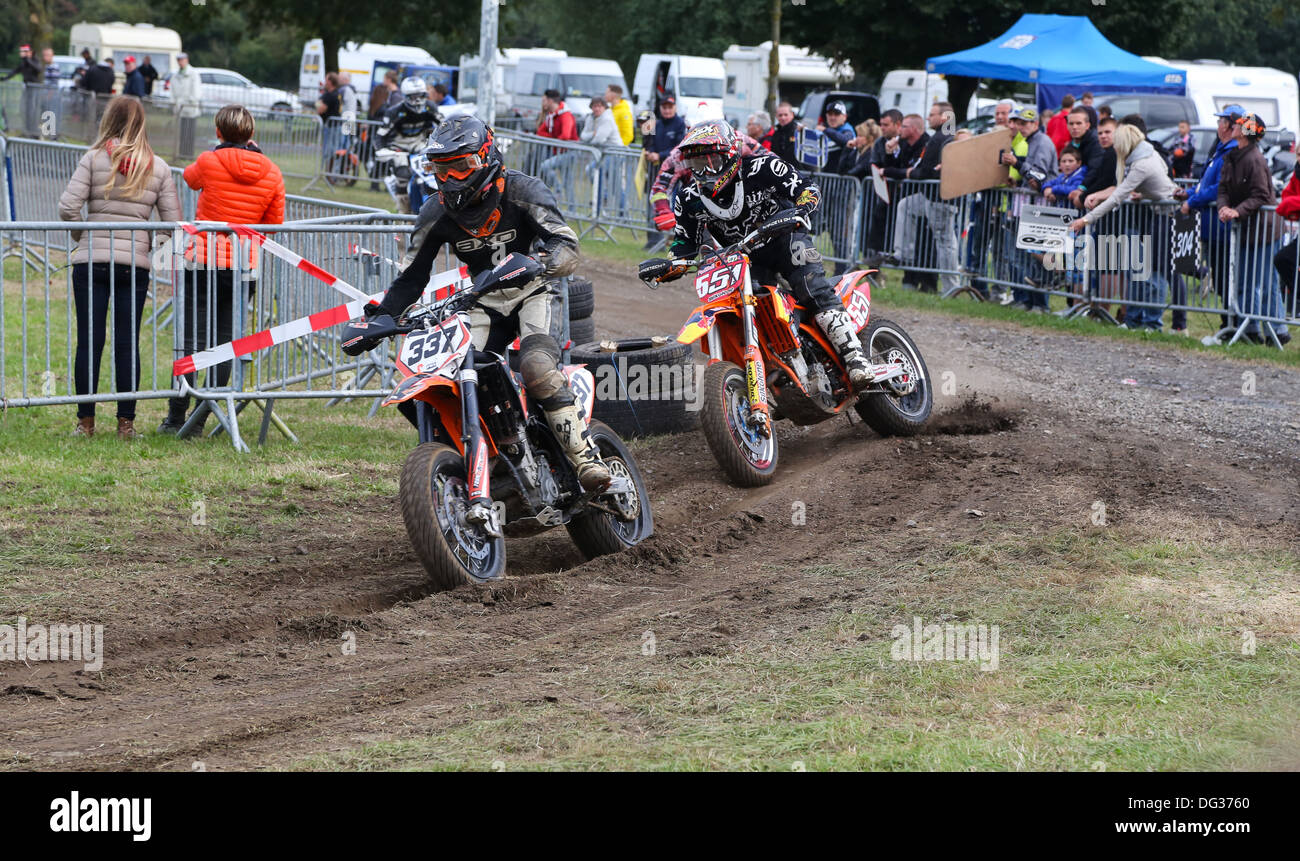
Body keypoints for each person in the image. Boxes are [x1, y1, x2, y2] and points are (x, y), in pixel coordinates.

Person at [345, 116, 610, 494]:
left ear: (486, 158)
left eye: (461, 167)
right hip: (482, 300)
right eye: (441, 169)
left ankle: (585, 458)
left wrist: (540, 263)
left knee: (535, 366)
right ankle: (492, 455)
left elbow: (567, 246)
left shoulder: (524, 191)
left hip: (534, 291)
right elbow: (411, 276)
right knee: (454, 374)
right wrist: (380, 320)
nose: (451, 178)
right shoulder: (434, 212)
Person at [654, 121, 872, 388]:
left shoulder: (763, 168)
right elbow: (685, 242)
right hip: (742, 257)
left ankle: (856, 358)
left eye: (710, 160)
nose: (705, 170)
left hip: (785, 237)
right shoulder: (688, 199)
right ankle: (777, 364)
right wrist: (671, 264)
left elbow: (807, 188)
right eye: (697, 164)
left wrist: (801, 209)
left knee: (810, 288)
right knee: (745, 304)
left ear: (730, 154)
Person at [58, 96, 180, 439]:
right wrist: (151, 249)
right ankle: (126, 423)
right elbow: (172, 224)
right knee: (127, 342)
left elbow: (68, 207)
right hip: (133, 267)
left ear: (108, 120)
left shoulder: (93, 158)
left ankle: (85, 422)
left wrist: (84, 236)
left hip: (90, 262)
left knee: (89, 342)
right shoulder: (157, 166)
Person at [163, 105, 286, 434]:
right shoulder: (272, 172)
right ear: (251, 134)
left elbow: (190, 179)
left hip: (203, 260)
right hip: (243, 265)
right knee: (225, 342)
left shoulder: (208, 161)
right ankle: (204, 415)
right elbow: (273, 226)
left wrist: (217, 152)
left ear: (218, 131)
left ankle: (177, 415)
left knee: (189, 339)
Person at [1071, 124, 1179, 331]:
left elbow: (1117, 197)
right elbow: (1159, 176)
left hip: (1166, 217)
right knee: (1139, 271)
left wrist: (1085, 220)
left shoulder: (1141, 164)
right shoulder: (1147, 153)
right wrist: (1145, 193)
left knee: (1154, 274)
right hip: (1154, 215)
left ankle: (1152, 323)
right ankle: (1134, 320)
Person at [1217, 113, 1287, 345]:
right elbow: (1223, 188)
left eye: (1238, 124)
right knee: (1245, 282)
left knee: (1266, 282)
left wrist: (1238, 211)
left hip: (1265, 230)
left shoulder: (1254, 159)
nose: (1233, 126)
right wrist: (1224, 207)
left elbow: (1262, 195)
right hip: (1247, 229)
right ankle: (1251, 328)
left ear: (1246, 131)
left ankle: (1277, 330)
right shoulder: (1232, 156)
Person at [1179, 105, 1242, 340]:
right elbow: (1206, 182)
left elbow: (1219, 189)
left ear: (1230, 125)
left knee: (1227, 277)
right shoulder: (1221, 149)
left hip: (1222, 227)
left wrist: (1193, 201)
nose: (1218, 126)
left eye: (1221, 122)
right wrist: (1188, 193)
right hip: (1213, 226)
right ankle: (1228, 323)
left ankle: (1231, 324)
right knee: (1222, 275)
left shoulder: (1230, 151)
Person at [647, 123, 767, 234]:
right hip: (703, 206)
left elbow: (771, 161)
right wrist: (666, 212)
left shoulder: (738, 139)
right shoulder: (678, 155)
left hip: (744, 198)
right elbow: (659, 188)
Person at [892, 102, 958, 291]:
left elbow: (927, 171)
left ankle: (950, 287)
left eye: (932, 114)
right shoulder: (941, 136)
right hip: (930, 196)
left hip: (941, 199)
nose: (928, 117)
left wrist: (912, 173)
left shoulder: (945, 137)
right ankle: (903, 253)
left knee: (945, 243)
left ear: (944, 117)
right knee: (906, 206)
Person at [374, 76, 441, 212]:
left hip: (419, 144)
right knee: (403, 176)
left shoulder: (430, 107)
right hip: (399, 145)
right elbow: (380, 135)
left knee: (429, 174)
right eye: (413, 96)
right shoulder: (394, 111)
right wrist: (381, 150)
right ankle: (403, 214)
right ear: (405, 96)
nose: (417, 100)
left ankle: (430, 208)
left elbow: (444, 126)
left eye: (420, 96)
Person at [1273, 169, 1299, 325]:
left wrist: (1291, 205)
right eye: (1298, 155)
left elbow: (1288, 202)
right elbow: (1286, 196)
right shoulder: (1298, 173)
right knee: (1283, 259)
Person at [2, 44, 43, 136]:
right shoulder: (24, 63)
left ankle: (33, 130)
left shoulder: (34, 61)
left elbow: (38, 69)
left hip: (34, 89)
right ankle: (26, 129)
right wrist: (5, 78)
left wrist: (28, 60)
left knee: (32, 110)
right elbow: (15, 71)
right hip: (27, 88)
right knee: (23, 109)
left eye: (25, 52)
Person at [171, 53, 202, 159]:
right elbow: (173, 91)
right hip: (180, 109)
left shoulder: (193, 74)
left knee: (189, 133)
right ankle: (181, 153)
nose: (180, 62)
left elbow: (196, 93)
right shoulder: (176, 75)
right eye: (179, 60)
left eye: (182, 60)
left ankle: (188, 154)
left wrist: (188, 101)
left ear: (187, 60)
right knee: (182, 133)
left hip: (190, 109)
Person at [316, 71, 342, 165]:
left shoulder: (330, 95)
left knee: (329, 150)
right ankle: (330, 170)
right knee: (334, 149)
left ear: (330, 82)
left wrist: (318, 103)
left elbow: (320, 109)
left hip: (331, 126)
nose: (325, 82)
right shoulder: (337, 93)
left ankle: (327, 170)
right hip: (335, 125)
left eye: (326, 80)